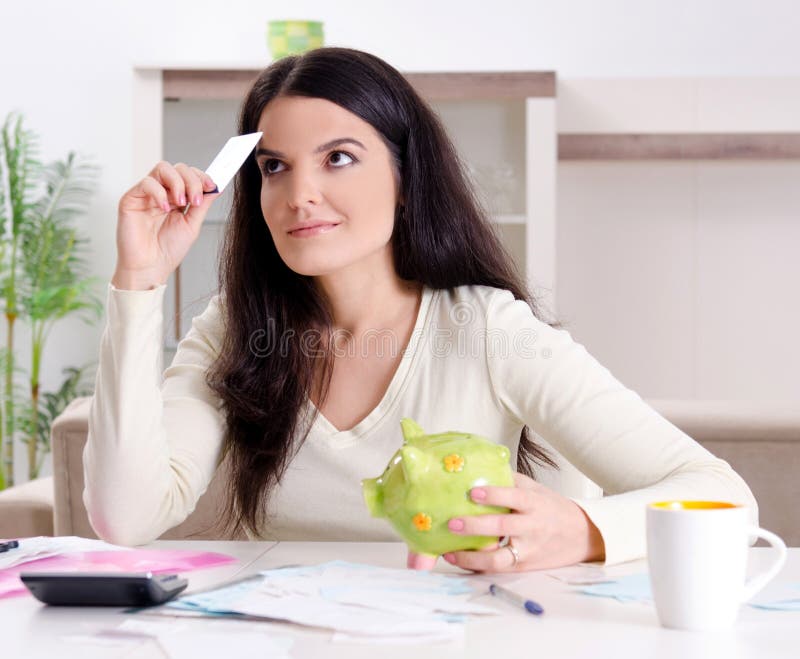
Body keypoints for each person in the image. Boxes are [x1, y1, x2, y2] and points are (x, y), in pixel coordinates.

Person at [83, 46, 757, 572]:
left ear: (406, 180)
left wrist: (581, 530)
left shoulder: (489, 331)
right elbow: (127, 516)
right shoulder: (236, 329)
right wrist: (138, 282)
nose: (300, 195)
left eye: (339, 157)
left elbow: (723, 496)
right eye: (275, 167)